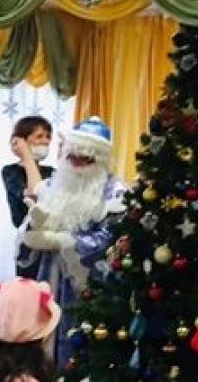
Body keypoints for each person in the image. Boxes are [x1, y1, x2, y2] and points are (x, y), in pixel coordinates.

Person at [20, 116, 125, 363]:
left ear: (99, 159)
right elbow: (30, 234)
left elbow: (110, 240)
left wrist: (63, 242)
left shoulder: (115, 194)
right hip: (48, 280)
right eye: (72, 155)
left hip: (89, 291)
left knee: (80, 352)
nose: (76, 161)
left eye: (85, 157)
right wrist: (31, 232)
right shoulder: (52, 186)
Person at [2, 116, 54, 278]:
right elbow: (36, 192)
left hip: (51, 241)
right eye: (39, 136)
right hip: (28, 244)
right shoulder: (11, 171)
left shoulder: (51, 172)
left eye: (48, 137)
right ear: (22, 141)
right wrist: (26, 154)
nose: (46, 141)